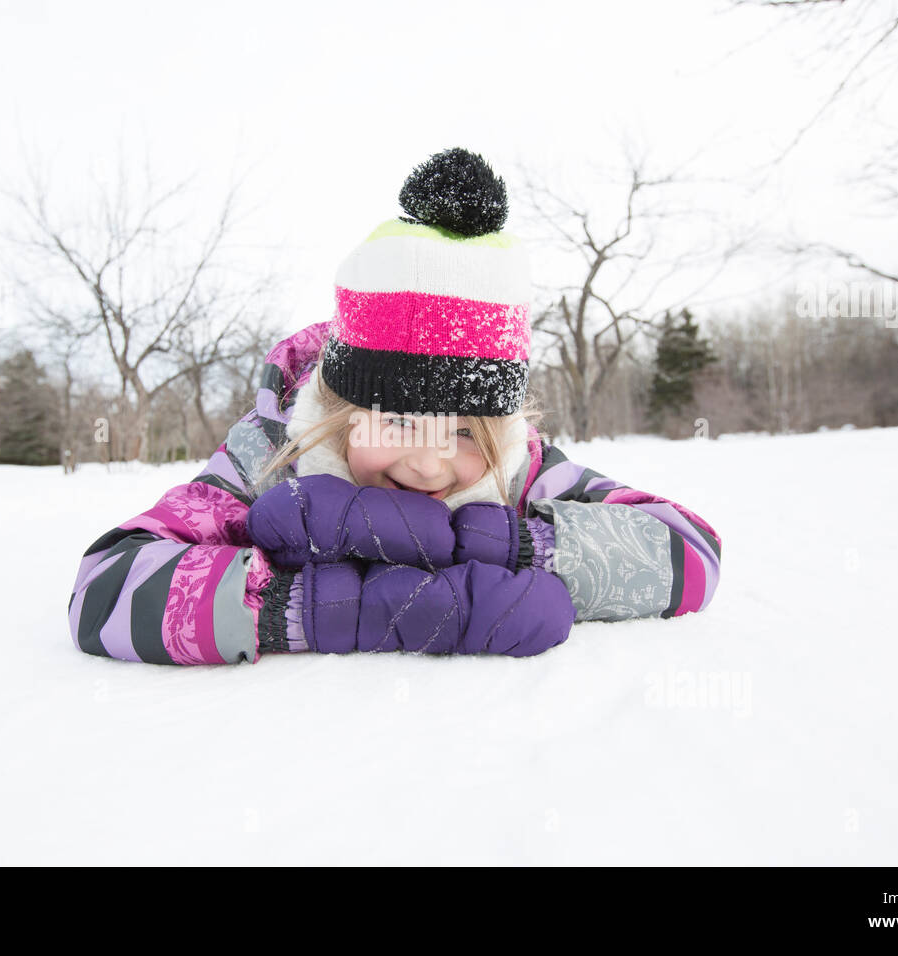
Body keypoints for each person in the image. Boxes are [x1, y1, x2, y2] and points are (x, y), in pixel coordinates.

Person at [67, 147, 722, 666]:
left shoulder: (517, 468)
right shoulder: (273, 453)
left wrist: (521, 545)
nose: (428, 465)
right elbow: (107, 588)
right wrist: (298, 610)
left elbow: (689, 552)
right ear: (339, 410)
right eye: (398, 419)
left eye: (463, 430)